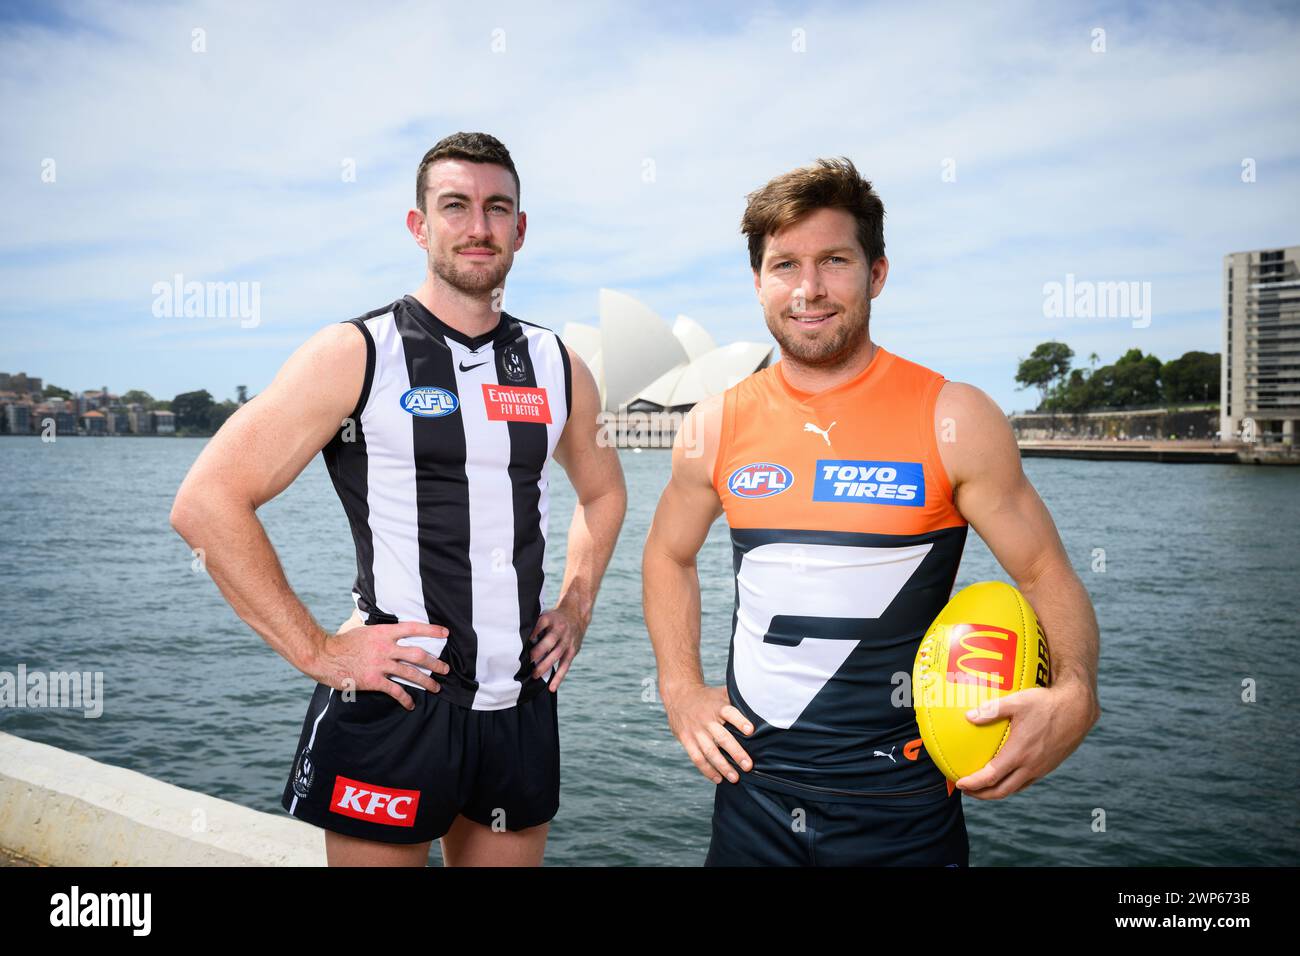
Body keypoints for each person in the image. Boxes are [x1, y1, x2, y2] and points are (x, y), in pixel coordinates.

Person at [171, 132, 626, 867]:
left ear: (520, 228)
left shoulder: (556, 363)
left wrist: (576, 604)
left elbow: (603, 494)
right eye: (455, 207)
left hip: (521, 705)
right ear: (420, 226)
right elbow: (206, 502)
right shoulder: (358, 351)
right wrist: (316, 649)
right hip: (399, 700)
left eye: (497, 208)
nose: (478, 227)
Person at [642, 157, 1100, 866]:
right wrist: (679, 687)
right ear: (759, 282)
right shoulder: (715, 425)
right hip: (753, 796)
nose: (810, 288)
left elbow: (1044, 571)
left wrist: (1075, 692)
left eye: (834, 260)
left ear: (877, 273)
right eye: (785, 265)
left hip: (904, 809)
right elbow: (668, 555)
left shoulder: (952, 418)